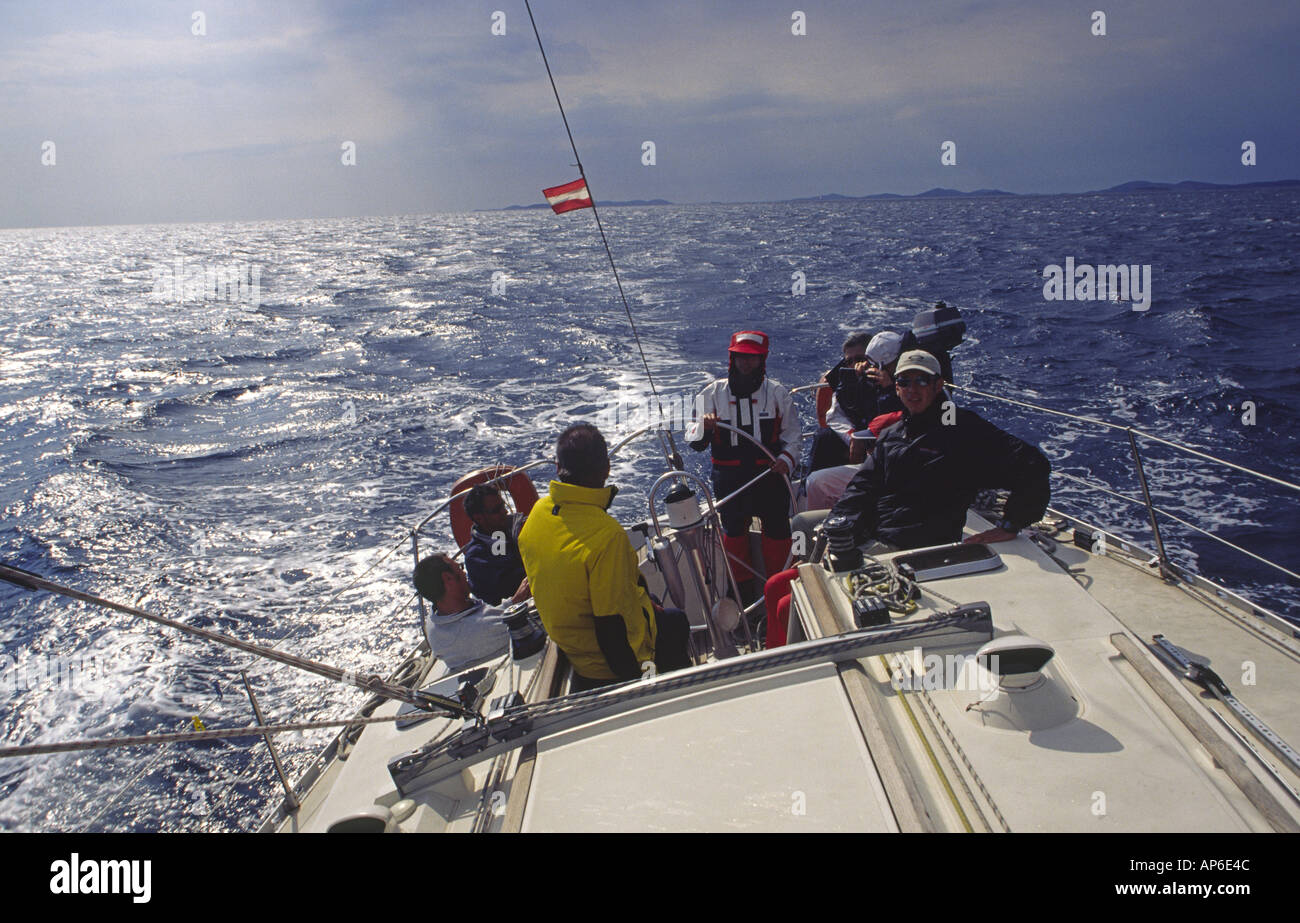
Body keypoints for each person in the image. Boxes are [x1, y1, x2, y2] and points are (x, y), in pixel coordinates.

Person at [518, 423, 693, 691]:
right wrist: (638, 683)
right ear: (606, 469)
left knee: (656, 605)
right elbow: (611, 628)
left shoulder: (539, 513)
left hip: (575, 651)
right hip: (610, 665)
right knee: (676, 623)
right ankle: (684, 696)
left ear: (558, 468)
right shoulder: (607, 537)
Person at [829, 350, 1051, 550]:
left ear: (938, 385)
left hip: (912, 544)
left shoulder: (962, 428)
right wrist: (840, 523)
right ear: (896, 388)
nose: (912, 390)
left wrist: (1011, 524)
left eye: (922, 381)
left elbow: (1033, 465)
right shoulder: (893, 434)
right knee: (805, 526)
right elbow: (862, 486)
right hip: (876, 528)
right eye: (905, 382)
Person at [689, 330, 800, 598]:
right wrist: (703, 426)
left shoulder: (777, 394)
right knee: (734, 534)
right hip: (729, 478)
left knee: (778, 533)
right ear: (731, 358)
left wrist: (786, 459)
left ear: (762, 360)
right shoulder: (710, 394)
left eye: (752, 358)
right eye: (740, 357)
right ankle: (743, 595)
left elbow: (793, 437)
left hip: (769, 477)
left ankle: (780, 591)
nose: (745, 363)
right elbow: (692, 437)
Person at [803, 330, 905, 509]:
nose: (855, 365)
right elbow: (836, 416)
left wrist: (889, 389)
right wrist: (855, 439)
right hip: (862, 442)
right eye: (849, 361)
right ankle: (806, 495)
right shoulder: (848, 381)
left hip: (888, 451)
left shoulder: (897, 385)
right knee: (824, 438)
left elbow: (897, 417)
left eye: (860, 359)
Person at [413, 553, 526, 673]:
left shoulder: (433, 620)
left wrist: (513, 601)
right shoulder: (480, 629)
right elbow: (522, 626)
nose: (464, 572)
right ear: (448, 578)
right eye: (460, 567)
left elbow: (488, 620)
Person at [461, 484, 528, 606]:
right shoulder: (476, 557)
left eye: (503, 506)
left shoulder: (502, 533)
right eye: (496, 510)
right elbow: (505, 588)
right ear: (479, 518)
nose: (505, 511)